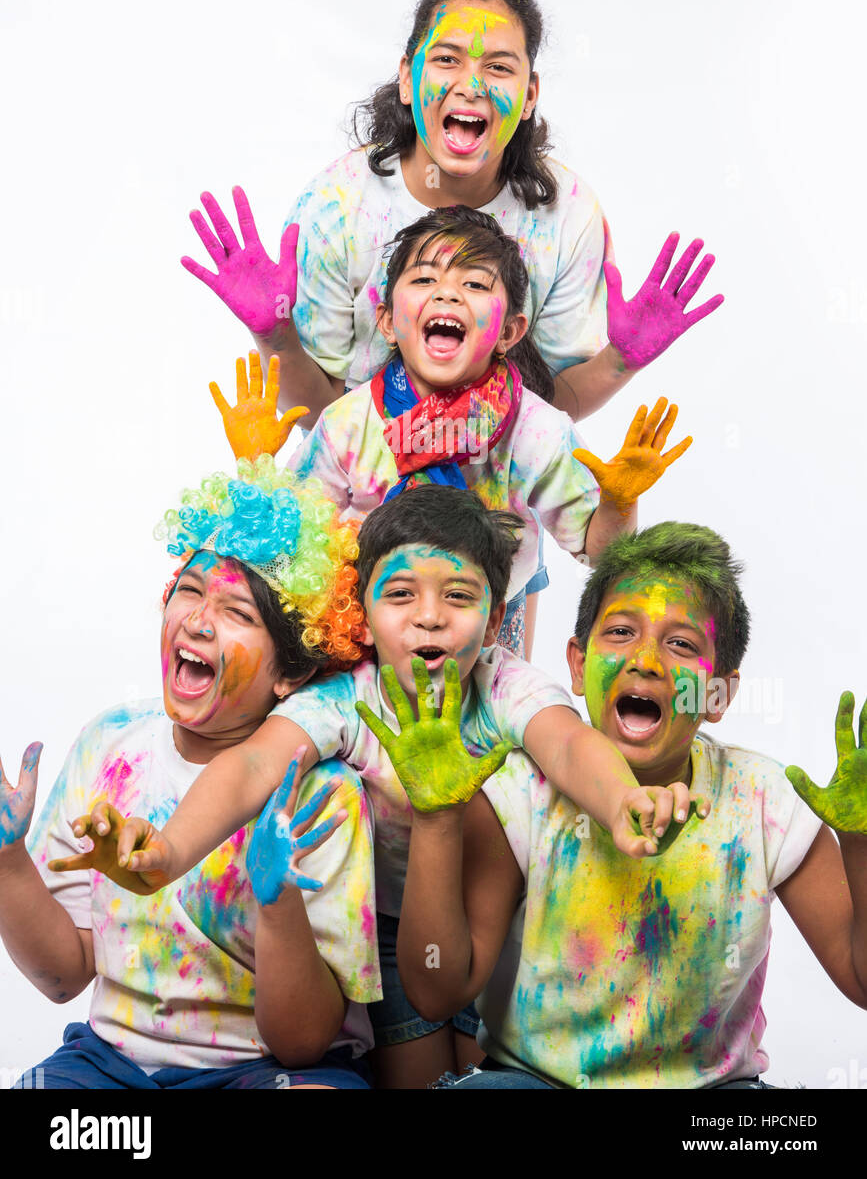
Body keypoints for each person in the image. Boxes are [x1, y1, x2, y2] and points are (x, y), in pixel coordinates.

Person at [181, 0, 723, 653]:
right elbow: (315, 448)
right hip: (359, 549)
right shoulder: (338, 210)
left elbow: (546, 412)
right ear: (408, 79)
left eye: (498, 67)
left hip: (496, 555)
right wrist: (275, 335)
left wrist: (620, 362)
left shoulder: (565, 218)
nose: (469, 84)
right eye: (446, 60)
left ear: (529, 95)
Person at [98, 487, 700, 1089]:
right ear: (363, 610)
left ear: (494, 621)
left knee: (485, 1073)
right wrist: (169, 851)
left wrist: (623, 802)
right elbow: (256, 765)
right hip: (387, 930)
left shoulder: (505, 687)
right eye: (401, 594)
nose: (429, 615)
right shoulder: (345, 699)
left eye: (458, 597)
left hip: (500, 922)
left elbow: (568, 744)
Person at [386, 521, 867, 1088]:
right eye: (619, 632)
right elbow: (437, 991)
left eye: (682, 644)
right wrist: (437, 821)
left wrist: (860, 844)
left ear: (718, 694)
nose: (646, 660)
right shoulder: (520, 791)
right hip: (535, 1080)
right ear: (576, 663)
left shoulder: (762, 801)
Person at [0, 448, 381, 1090]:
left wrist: (277, 901)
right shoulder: (111, 745)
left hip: (259, 1071)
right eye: (190, 591)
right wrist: (8, 863)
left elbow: (304, 1044)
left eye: (238, 613)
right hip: (110, 1065)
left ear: (292, 672)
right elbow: (65, 976)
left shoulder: (324, 795)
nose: (199, 621)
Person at [281, 205, 693, 653]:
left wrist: (619, 502)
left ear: (509, 331)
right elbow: (293, 537)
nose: (447, 294)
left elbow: (601, 551)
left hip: (493, 628)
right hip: (367, 625)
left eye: (475, 284)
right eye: (424, 279)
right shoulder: (348, 423)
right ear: (386, 321)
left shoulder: (536, 430)